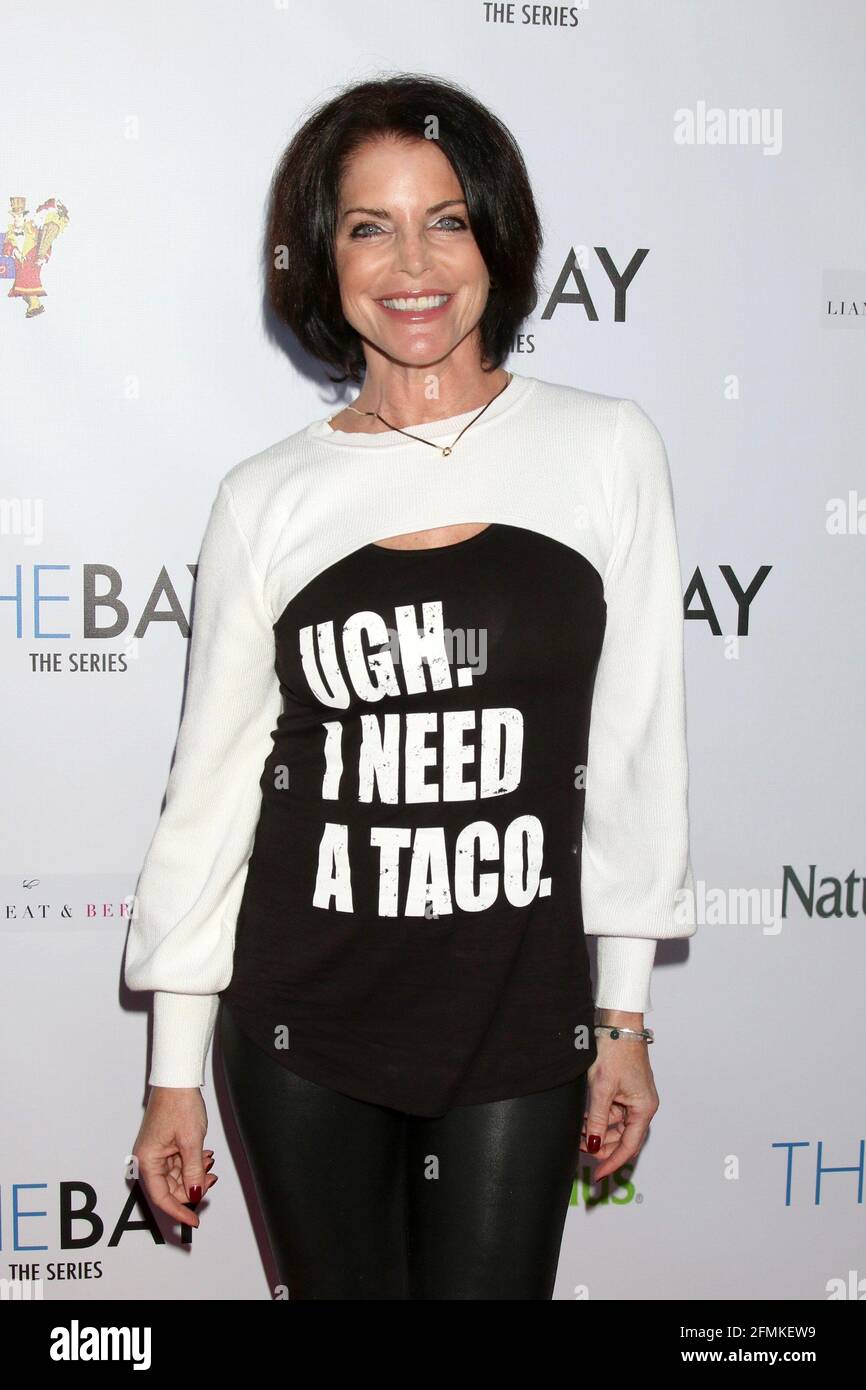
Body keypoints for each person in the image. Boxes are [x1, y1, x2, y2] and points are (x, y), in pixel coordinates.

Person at [125, 73, 697, 1300]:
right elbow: (214, 795)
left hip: (516, 1017)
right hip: (306, 1026)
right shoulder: (266, 496)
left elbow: (635, 747)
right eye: (366, 226)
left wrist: (626, 1014)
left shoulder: (604, 450)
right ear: (321, 263)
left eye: (445, 217)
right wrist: (174, 1064)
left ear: (495, 231)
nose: (412, 263)